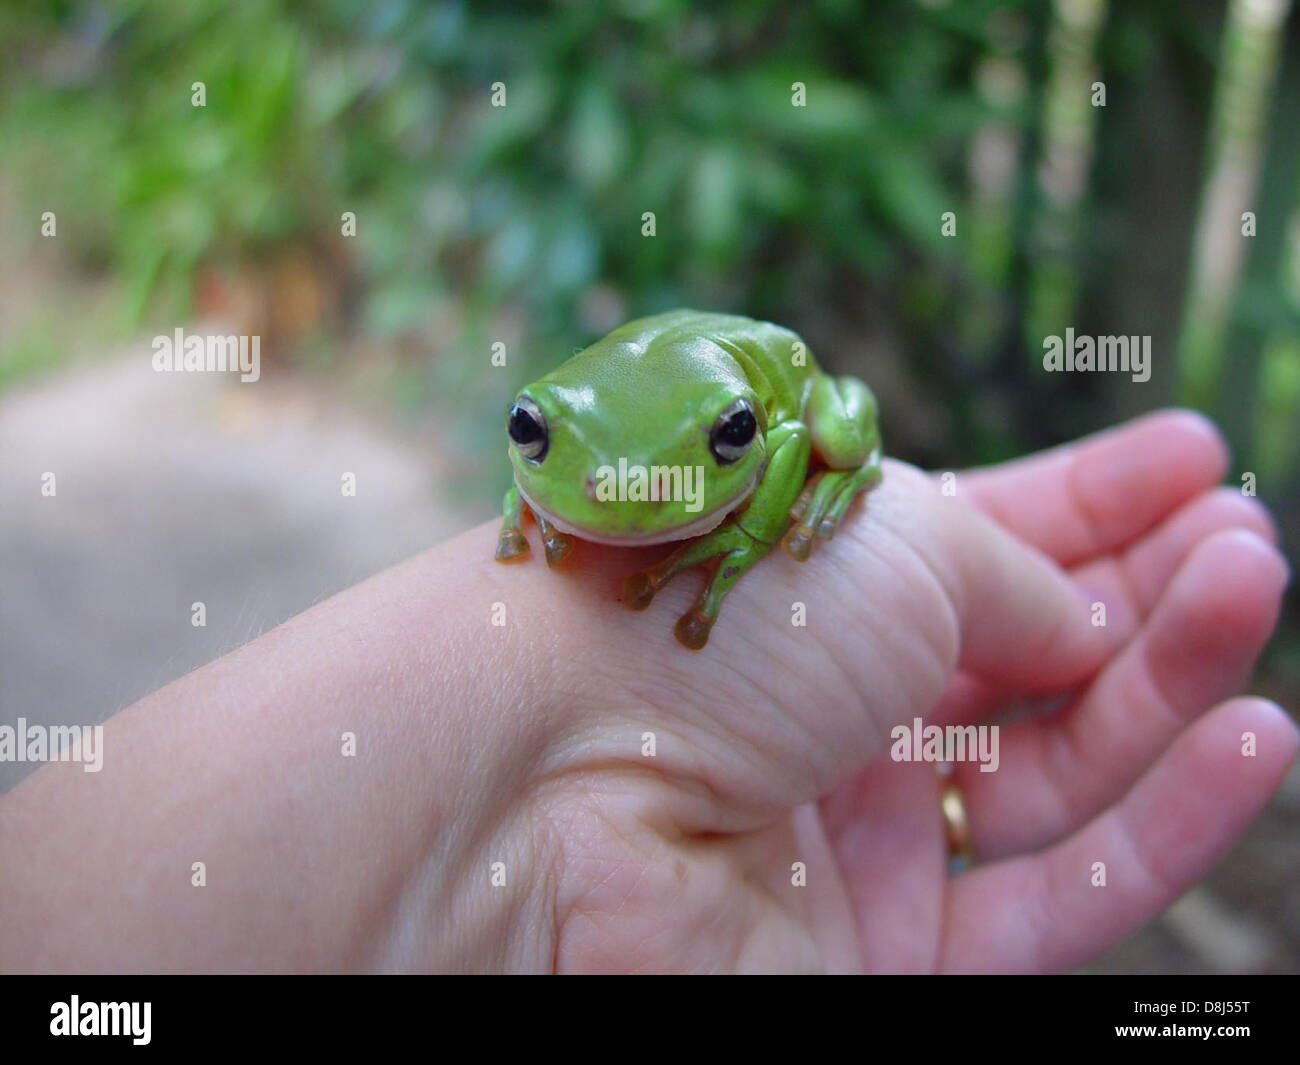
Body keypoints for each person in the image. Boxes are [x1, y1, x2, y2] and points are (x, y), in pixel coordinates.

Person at [0, 410, 1292, 973]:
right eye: (535, 445)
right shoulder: (577, 455)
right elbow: (569, 442)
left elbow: (799, 423)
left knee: (800, 428)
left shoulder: (764, 431)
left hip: (778, 402)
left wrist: (764, 524)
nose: (620, 495)